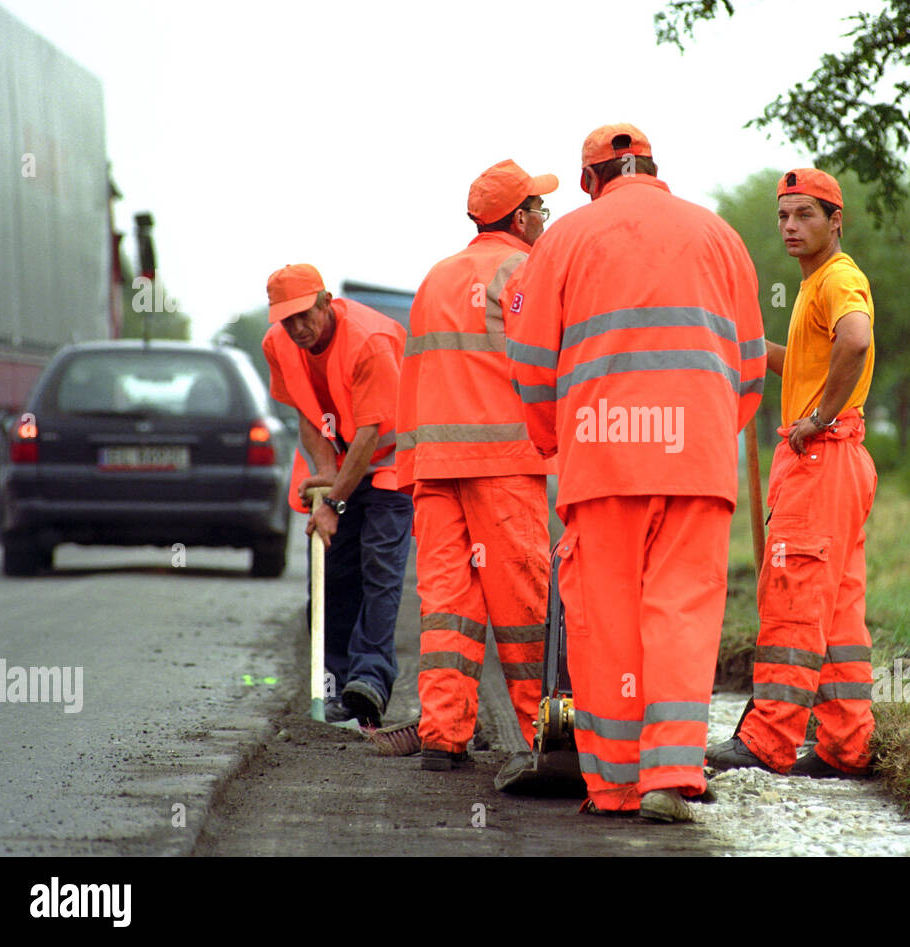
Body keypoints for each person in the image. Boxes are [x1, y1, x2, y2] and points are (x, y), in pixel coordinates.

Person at [506, 124, 766, 822]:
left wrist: (554, 437)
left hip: (604, 461)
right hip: (699, 463)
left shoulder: (564, 240)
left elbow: (531, 365)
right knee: (684, 611)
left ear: (591, 180)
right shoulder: (720, 237)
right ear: (654, 167)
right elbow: (749, 369)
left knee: (607, 622)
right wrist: (706, 430)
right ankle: (674, 772)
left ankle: (616, 784)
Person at [706, 168, 878, 778]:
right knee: (838, 612)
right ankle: (845, 744)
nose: (790, 226)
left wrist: (817, 419)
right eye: (783, 216)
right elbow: (810, 361)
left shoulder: (836, 278)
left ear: (836, 221)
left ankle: (767, 741)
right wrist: (746, 346)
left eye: (804, 215)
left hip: (822, 458)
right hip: (842, 463)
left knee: (793, 598)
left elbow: (855, 341)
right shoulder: (814, 286)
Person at [395, 160, 558, 771]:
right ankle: (542, 734)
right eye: (539, 209)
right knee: (523, 608)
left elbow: (415, 378)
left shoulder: (437, 277)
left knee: (447, 606)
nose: (545, 217)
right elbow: (541, 362)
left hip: (435, 467)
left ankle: (443, 736)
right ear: (519, 217)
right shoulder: (524, 269)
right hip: (503, 463)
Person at [262, 263, 411, 728]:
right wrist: (325, 469)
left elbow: (370, 435)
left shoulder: (370, 341)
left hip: (387, 461)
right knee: (332, 576)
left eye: (305, 315)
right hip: (340, 462)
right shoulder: (278, 345)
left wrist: (332, 503)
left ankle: (369, 679)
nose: (298, 328)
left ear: (327, 301)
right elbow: (307, 413)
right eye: (288, 320)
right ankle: (334, 683)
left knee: (379, 572)